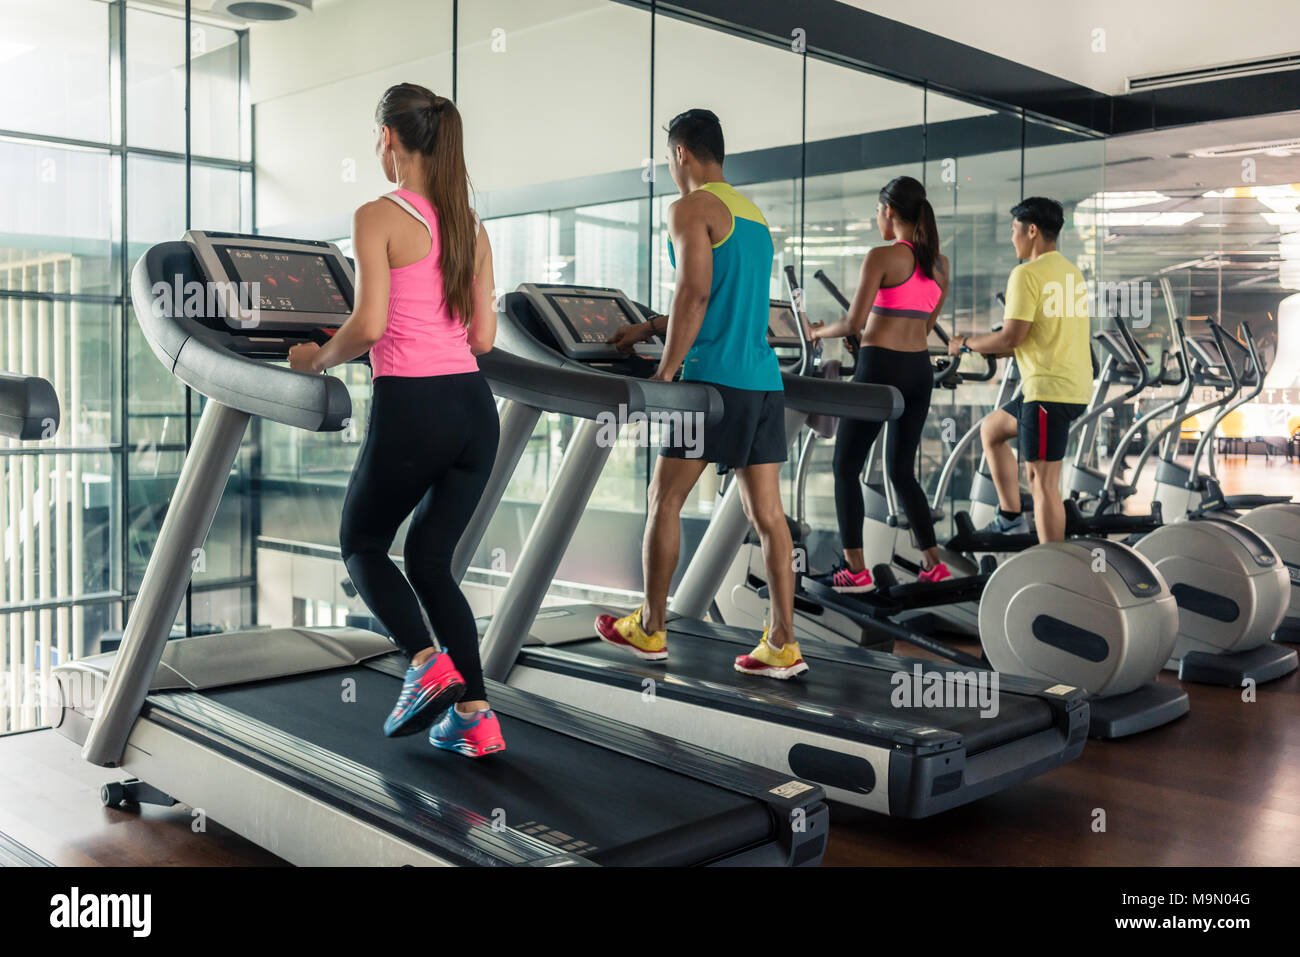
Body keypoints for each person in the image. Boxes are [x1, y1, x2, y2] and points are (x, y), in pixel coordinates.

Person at [287, 83, 504, 757]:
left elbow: (371, 323)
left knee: (361, 543)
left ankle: (423, 662)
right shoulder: (469, 222)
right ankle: (476, 715)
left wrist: (316, 358)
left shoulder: (376, 216)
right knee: (432, 561)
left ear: (389, 140)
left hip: (413, 407)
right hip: (474, 410)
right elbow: (485, 337)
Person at [600, 109, 803, 679]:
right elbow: (723, 299)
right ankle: (783, 641)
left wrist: (665, 374)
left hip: (710, 383)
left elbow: (694, 291)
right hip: (762, 384)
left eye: (669, 157)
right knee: (767, 516)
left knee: (663, 499)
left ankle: (651, 626)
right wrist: (648, 327)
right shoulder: (752, 215)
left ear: (681, 153)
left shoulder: (687, 208)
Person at [807, 175, 951, 594]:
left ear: (889, 211)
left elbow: (853, 323)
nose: (876, 219)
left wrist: (817, 333)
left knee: (845, 467)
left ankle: (854, 569)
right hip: (918, 371)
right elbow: (922, 327)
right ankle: (932, 562)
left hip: (880, 368)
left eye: (877, 210)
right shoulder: (939, 265)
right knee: (901, 470)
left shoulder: (881, 256)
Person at [948, 196, 1091, 545]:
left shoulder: (1026, 274)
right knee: (992, 430)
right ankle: (1010, 517)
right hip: (1069, 387)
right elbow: (1029, 338)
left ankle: (1052, 569)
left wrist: (965, 342)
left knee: (1042, 482)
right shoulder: (1072, 274)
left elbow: (1012, 337)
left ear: (1031, 230)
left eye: (1014, 231)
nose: (1012, 239)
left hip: (1047, 392)